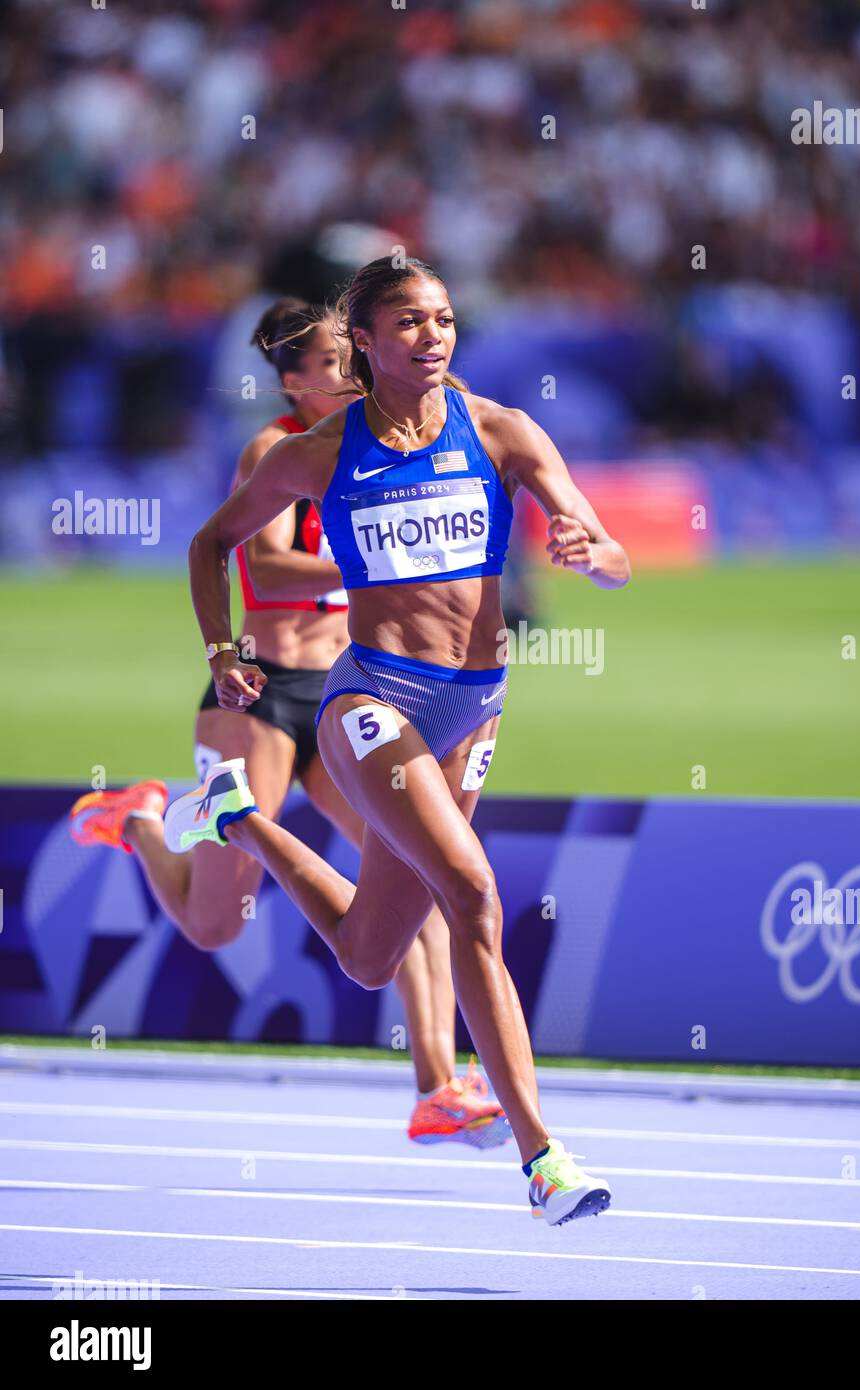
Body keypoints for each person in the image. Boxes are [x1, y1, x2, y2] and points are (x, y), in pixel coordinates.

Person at [165, 256, 631, 1225]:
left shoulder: (500, 430)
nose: (432, 335)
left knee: (369, 953)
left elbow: (612, 555)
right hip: (372, 699)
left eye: (444, 319)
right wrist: (221, 647)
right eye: (410, 321)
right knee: (471, 895)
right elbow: (212, 543)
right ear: (365, 341)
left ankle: (236, 819)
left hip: (477, 706)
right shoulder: (318, 452)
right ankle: (543, 1161)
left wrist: (592, 553)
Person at [70, 299, 509, 1150]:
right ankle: (143, 820)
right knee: (215, 924)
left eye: (355, 360)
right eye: (333, 365)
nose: (352, 376)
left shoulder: (384, 446)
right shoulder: (276, 451)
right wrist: (384, 558)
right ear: (292, 382)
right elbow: (263, 566)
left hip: (350, 697)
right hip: (262, 696)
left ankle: (437, 1085)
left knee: (417, 873)